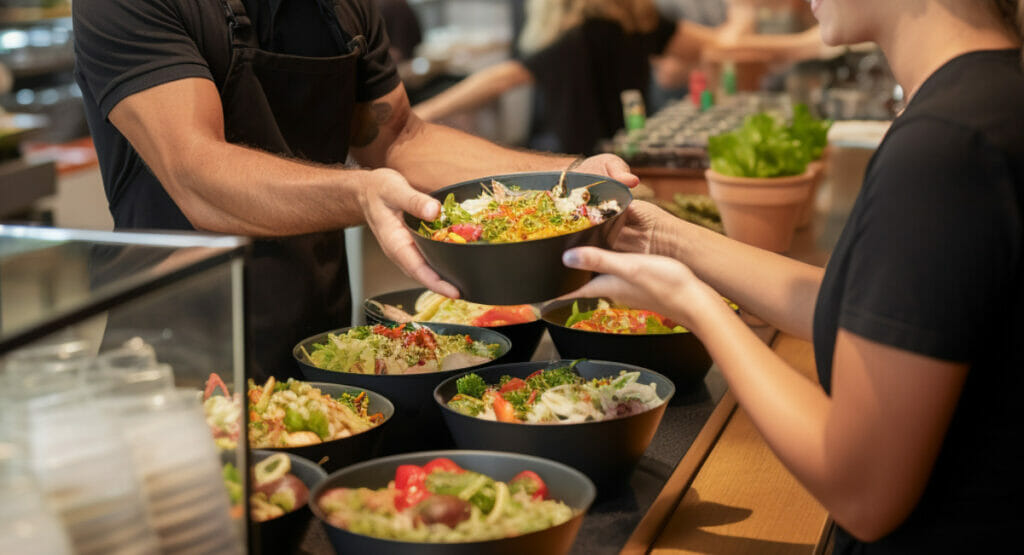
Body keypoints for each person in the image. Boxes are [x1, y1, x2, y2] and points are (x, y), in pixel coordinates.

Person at [559, 0, 1024, 552]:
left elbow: (862, 489)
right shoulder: (992, 96)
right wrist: (665, 237)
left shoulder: (945, 149)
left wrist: (694, 304)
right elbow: (871, 315)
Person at [71, 0, 635, 381]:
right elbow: (198, 175)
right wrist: (361, 193)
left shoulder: (342, 7)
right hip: (174, 358)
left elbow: (398, 139)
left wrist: (574, 177)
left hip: (317, 336)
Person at [413, 0, 824, 155]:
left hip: (597, 161)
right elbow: (718, 46)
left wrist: (421, 113)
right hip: (600, 162)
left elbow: (716, 47)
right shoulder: (612, 28)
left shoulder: (631, 24)